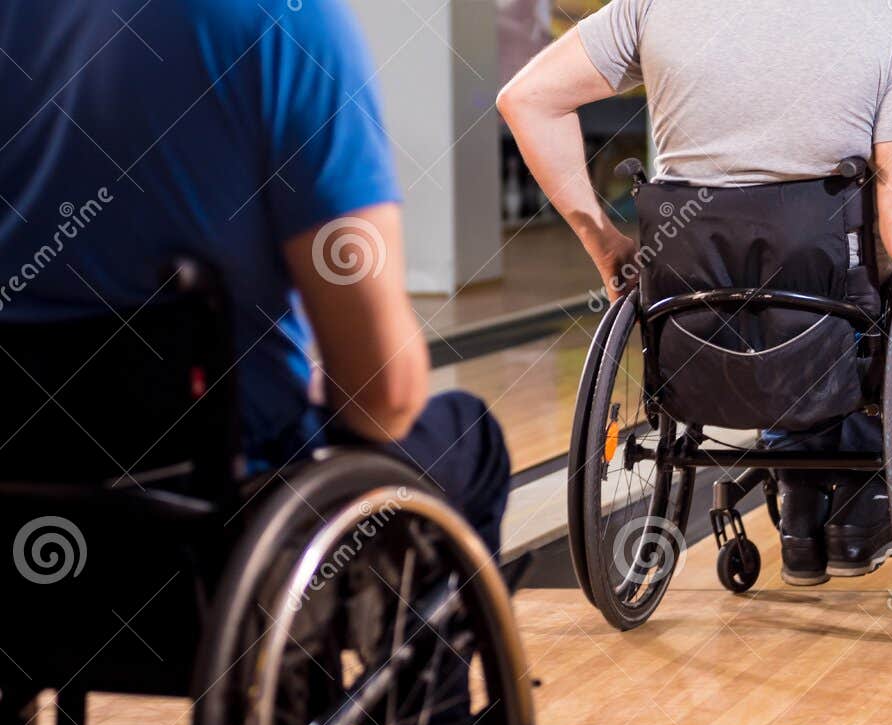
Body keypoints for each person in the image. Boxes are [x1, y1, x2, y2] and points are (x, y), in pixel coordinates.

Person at [498, 0, 892, 584]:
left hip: (692, 314)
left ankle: (802, 503)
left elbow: (524, 100)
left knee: (803, 278)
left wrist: (603, 242)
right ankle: (860, 501)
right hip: (829, 304)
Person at [0, 0, 510, 555]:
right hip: (222, 512)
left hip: (25, 493)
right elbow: (383, 395)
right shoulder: (288, 20)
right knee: (470, 437)